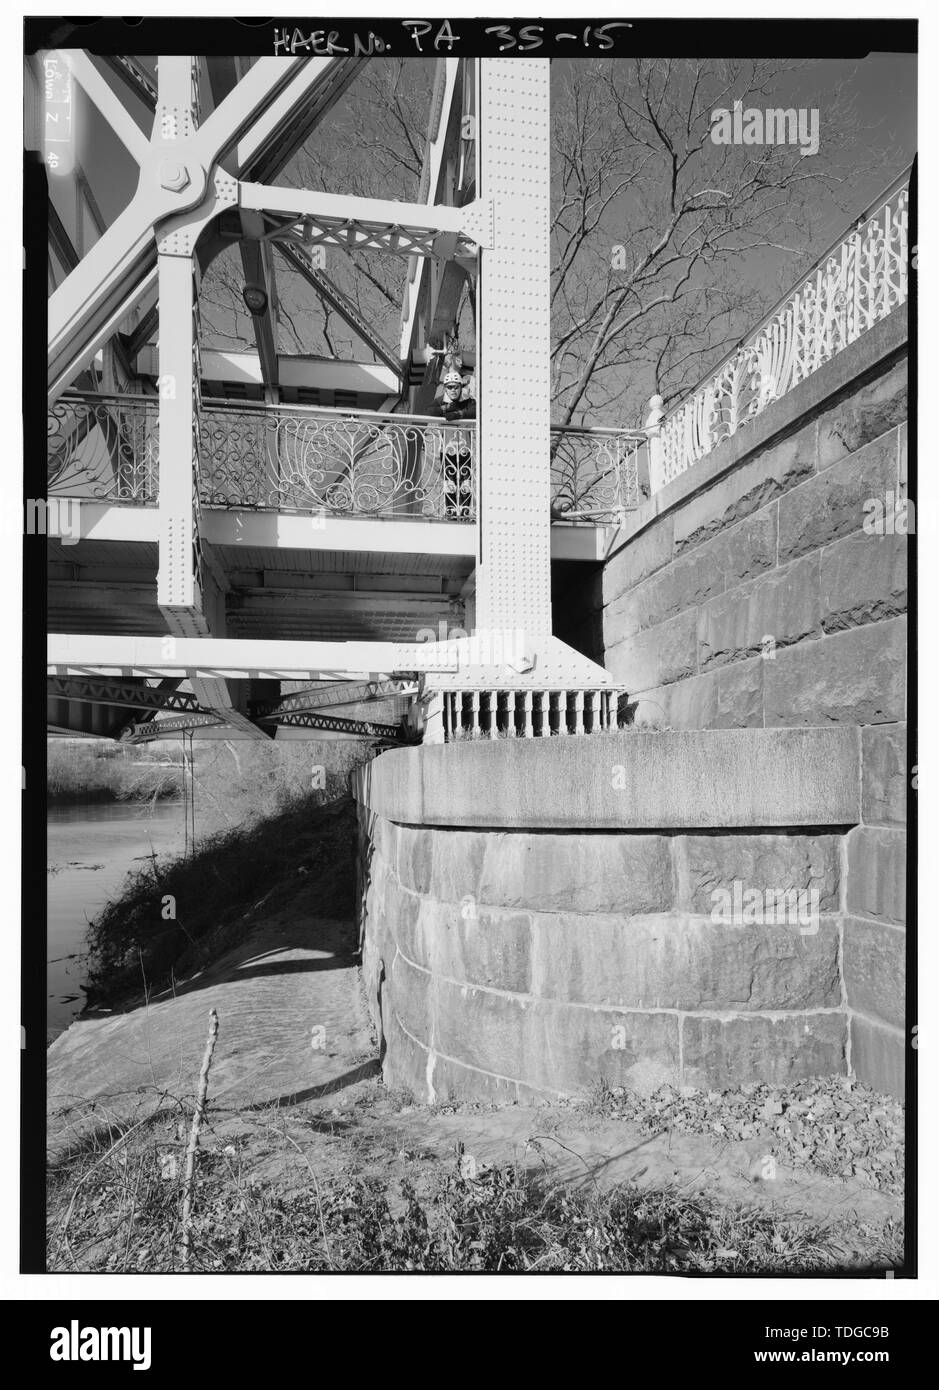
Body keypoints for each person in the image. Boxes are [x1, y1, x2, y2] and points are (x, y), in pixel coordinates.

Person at [428, 368, 476, 519]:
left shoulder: (468, 401)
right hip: (447, 450)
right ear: (445, 388)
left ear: (461, 387)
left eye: (456, 386)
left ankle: (465, 512)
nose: (453, 390)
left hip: (465, 449)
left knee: (465, 483)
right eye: (450, 387)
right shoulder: (440, 400)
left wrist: (458, 414)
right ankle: (451, 512)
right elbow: (430, 412)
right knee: (449, 483)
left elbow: (475, 411)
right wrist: (448, 408)